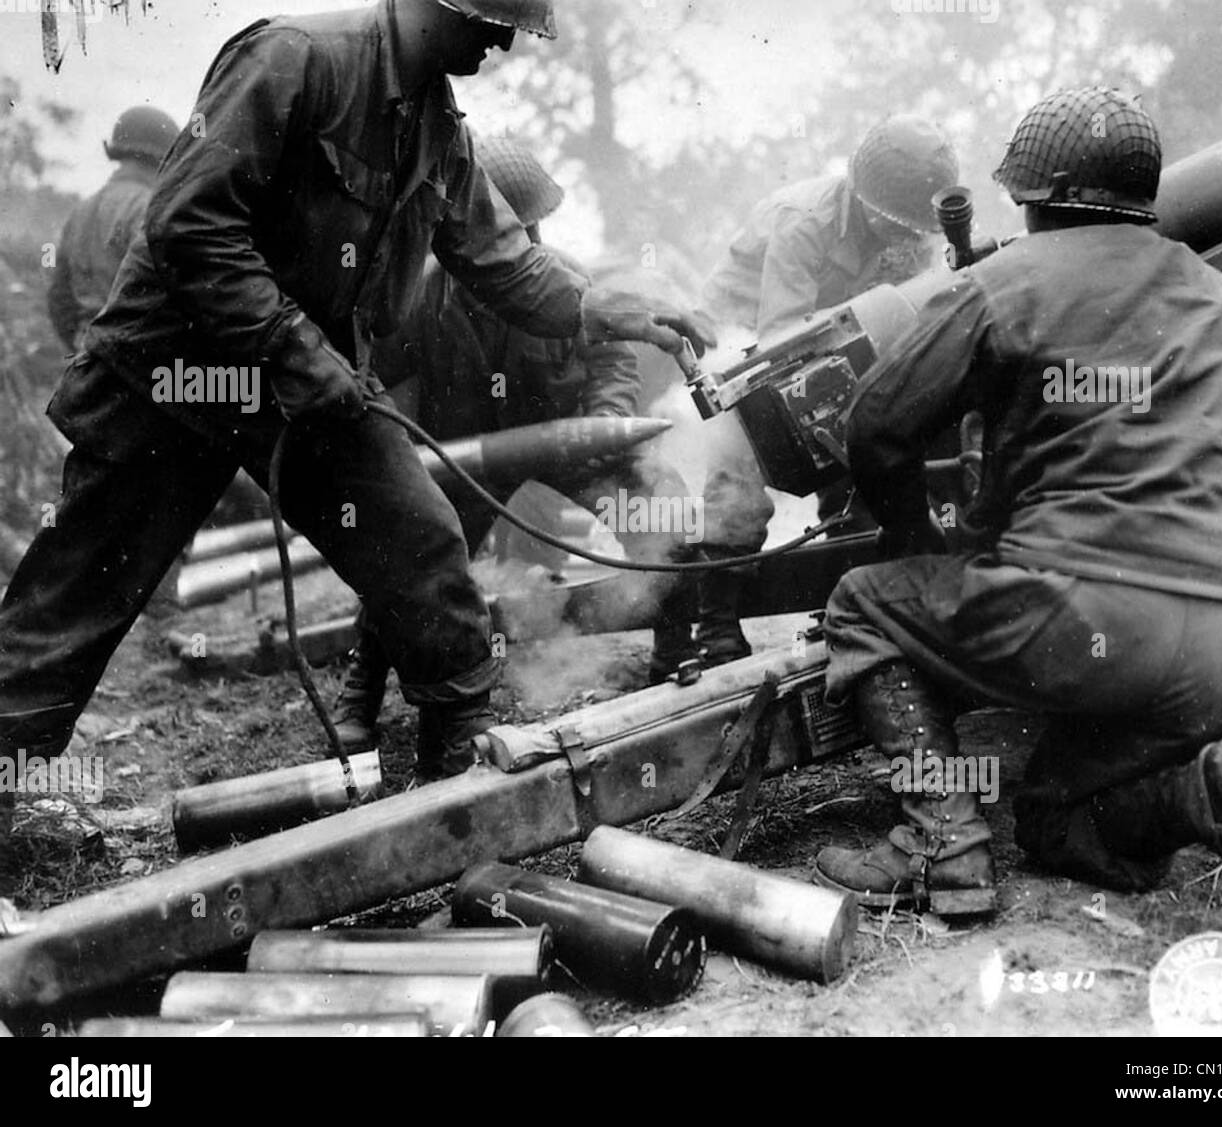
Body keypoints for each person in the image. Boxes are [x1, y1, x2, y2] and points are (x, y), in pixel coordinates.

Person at [0, 0, 711, 842]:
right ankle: (11, 790)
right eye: (489, 19)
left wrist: (603, 304)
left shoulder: (441, 131)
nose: (505, 39)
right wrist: (297, 351)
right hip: (175, 369)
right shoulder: (294, 58)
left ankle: (460, 789)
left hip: (309, 384)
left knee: (421, 539)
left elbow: (503, 264)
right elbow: (188, 223)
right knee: (81, 592)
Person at [814, 88, 1222, 962]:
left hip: (1084, 623)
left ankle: (940, 840)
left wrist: (919, 534)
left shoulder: (997, 287)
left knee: (862, 602)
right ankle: (1219, 790)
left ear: (1032, 198)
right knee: (1052, 815)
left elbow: (873, 427)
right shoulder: (1213, 294)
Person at [332, 134, 698, 760]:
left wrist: (605, 425)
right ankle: (359, 693)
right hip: (470, 458)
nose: (517, 243)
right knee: (405, 552)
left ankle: (680, 644)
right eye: (504, 231)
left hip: (567, 444)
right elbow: (373, 374)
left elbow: (613, 364)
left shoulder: (570, 283)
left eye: (526, 230)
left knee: (661, 502)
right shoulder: (421, 295)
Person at [695, 117, 959, 667]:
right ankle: (714, 628)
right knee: (743, 460)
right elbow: (780, 341)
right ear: (861, 197)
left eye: (912, 230)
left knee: (870, 440)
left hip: (835, 337)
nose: (902, 239)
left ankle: (848, 604)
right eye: (891, 224)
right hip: (746, 340)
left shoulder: (908, 228)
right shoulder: (804, 223)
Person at [46, 106, 181, 353]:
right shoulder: (152, 208)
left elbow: (59, 299)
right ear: (163, 158)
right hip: (139, 358)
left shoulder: (79, 212)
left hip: (87, 358)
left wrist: (83, 348)